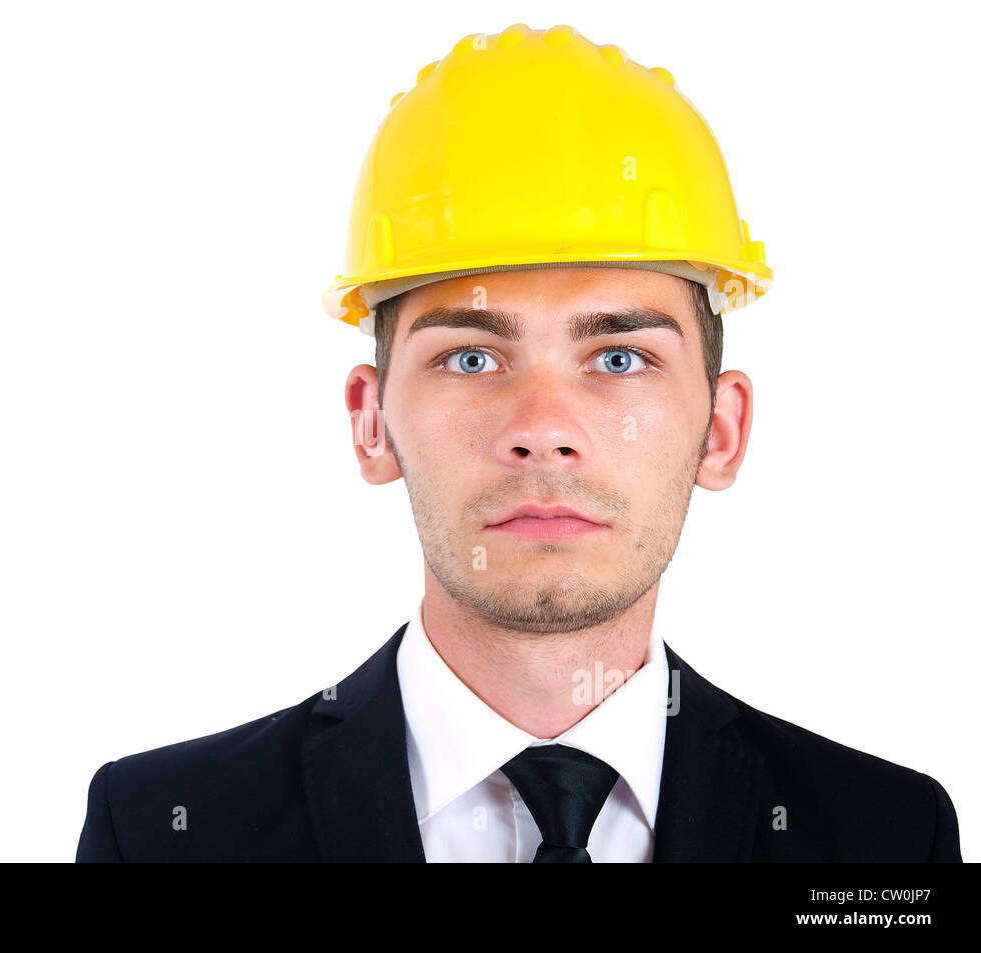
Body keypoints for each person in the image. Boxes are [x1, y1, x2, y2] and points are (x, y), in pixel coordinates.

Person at [75, 23, 962, 862]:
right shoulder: (162, 831)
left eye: (620, 356)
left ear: (721, 432)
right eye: (471, 355)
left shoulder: (884, 837)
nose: (542, 429)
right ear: (371, 421)